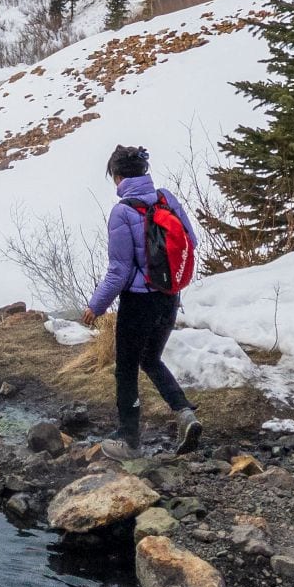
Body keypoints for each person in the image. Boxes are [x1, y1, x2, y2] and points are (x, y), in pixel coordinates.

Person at [82, 144, 201, 456]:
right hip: (169, 296)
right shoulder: (166, 199)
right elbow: (193, 241)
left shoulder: (122, 212)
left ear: (118, 177)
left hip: (138, 302)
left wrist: (96, 306)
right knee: (150, 359)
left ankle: (129, 441)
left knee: (126, 367)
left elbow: (119, 270)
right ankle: (185, 414)